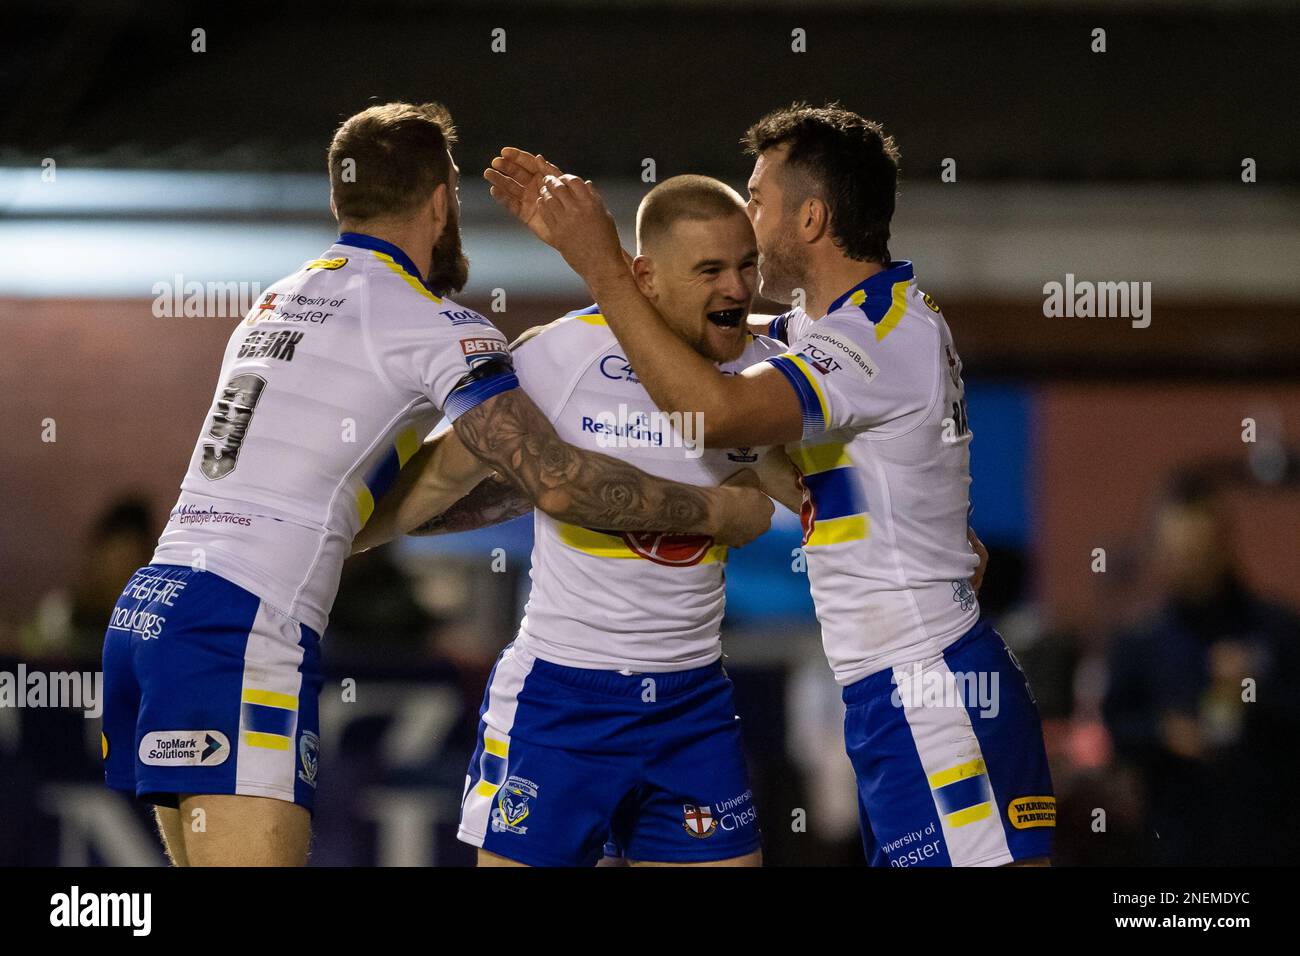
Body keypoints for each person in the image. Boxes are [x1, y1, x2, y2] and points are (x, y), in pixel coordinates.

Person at [100, 102, 772, 867]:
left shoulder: (274, 301)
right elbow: (557, 485)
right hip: (242, 626)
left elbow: (417, 490)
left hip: (156, 606)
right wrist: (720, 511)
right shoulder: (438, 325)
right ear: (442, 201)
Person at [483, 102, 1050, 867]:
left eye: (756, 197)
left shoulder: (871, 339)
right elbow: (714, 337)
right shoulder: (832, 324)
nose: (746, 219)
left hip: (932, 691)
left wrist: (604, 266)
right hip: (897, 691)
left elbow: (713, 413)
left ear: (811, 217)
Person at [362, 175, 802, 866]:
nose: (738, 288)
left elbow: (825, 492)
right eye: (710, 270)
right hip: (562, 701)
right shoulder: (561, 354)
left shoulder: (761, 375)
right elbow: (442, 477)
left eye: (746, 265)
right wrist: (321, 545)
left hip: (694, 704)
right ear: (645, 277)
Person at [1104, 477, 1300, 864]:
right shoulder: (1141, 640)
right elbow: (1116, 726)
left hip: (1268, 835)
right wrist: (1163, 733)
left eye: (1199, 552)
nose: (1188, 565)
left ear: (1223, 546)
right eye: (1178, 553)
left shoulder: (1274, 628)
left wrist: (1254, 691)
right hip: (1176, 836)